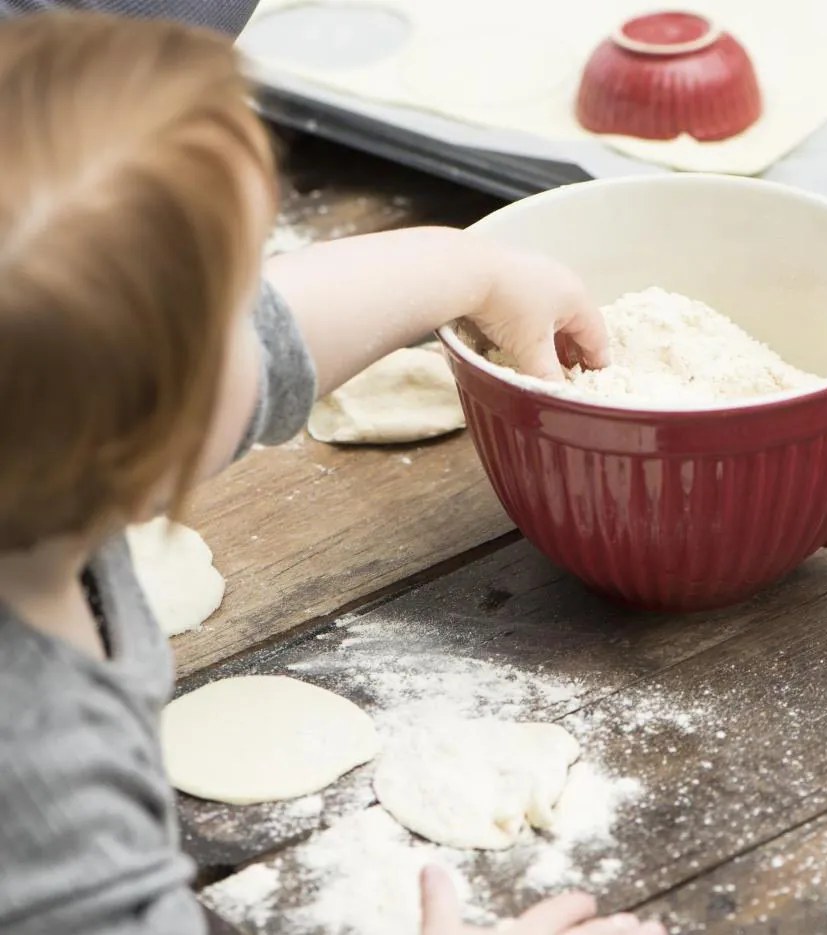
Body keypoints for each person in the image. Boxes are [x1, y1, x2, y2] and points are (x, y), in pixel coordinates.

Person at [0, 13, 668, 935]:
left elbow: (243, 354)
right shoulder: (50, 816)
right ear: (158, 427)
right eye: (243, 288)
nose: (262, 314)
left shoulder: (40, 449)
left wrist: (467, 269)